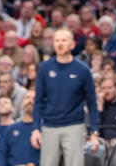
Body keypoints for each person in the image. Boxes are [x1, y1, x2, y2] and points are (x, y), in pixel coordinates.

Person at [31, 28, 100, 166]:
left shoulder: (82, 69)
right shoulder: (44, 68)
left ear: (72, 44)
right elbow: (38, 101)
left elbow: (92, 103)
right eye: (56, 40)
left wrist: (94, 132)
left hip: (74, 125)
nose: (60, 44)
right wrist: (35, 129)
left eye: (63, 40)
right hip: (49, 126)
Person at [0, 91, 39, 166]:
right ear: (21, 104)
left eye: (34, 98)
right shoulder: (10, 129)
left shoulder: (45, 129)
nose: (30, 101)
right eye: (27, 98)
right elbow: (1, 155)